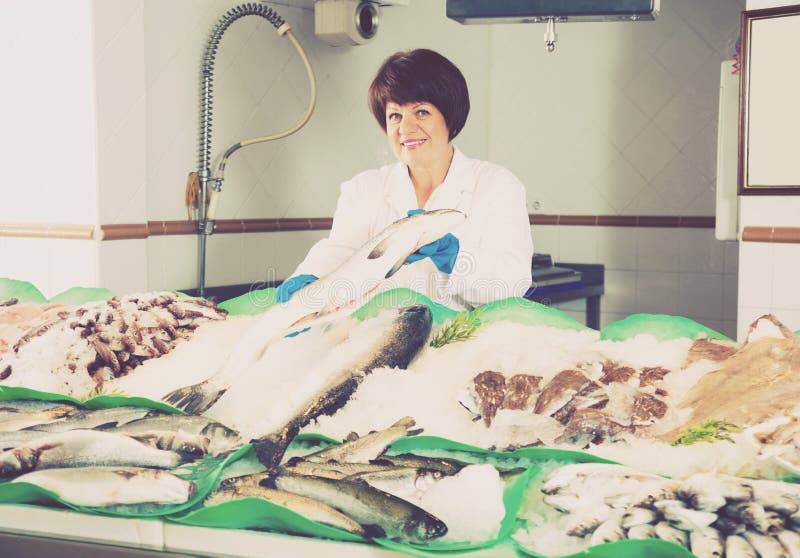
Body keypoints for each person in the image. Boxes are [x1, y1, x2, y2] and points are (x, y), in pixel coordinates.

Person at [276, 49, 533, 309]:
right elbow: (340, 253)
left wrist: (456, 258)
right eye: (395, 116)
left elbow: (514, 281)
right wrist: (311, 279)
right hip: (379, 331)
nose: (406, 128)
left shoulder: (497, 186)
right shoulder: (364, 189)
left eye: (421, 112)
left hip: (463, 335)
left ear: (450, 116)